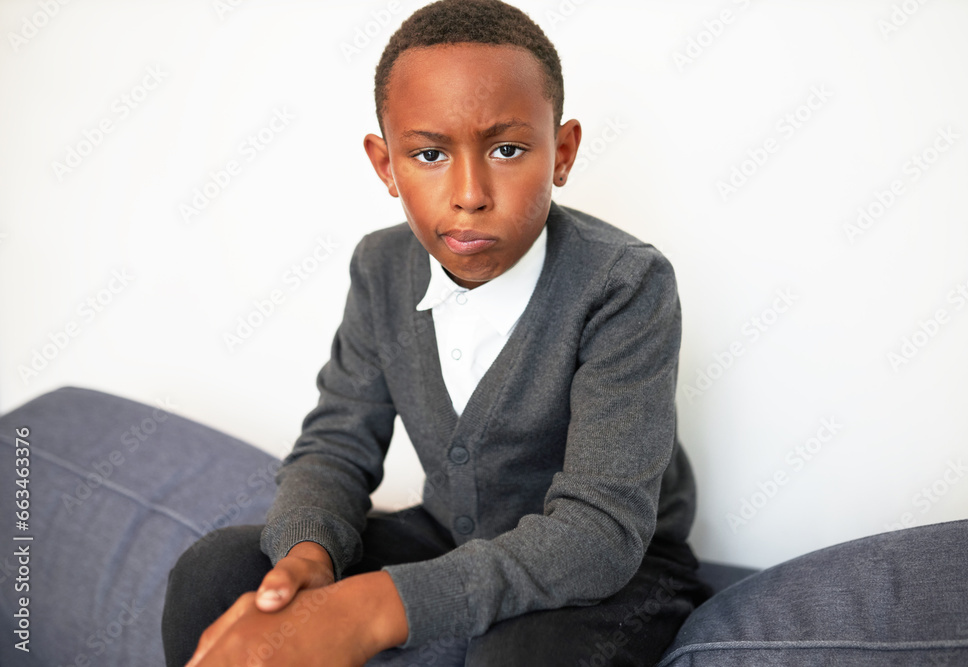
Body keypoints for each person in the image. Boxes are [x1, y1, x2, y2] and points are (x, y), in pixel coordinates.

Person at [161, 1, 711, 665]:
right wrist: (307, 553)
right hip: (450, 532)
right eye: (428, 154)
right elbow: (336, 443)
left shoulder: (624, 284)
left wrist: (371, 609)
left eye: (508, 149)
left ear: (562, 152)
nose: (470, 192)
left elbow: (597, 532)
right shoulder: (380, 266)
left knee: (521, 656)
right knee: (214, 570)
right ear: (386, 164)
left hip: (618, 566)